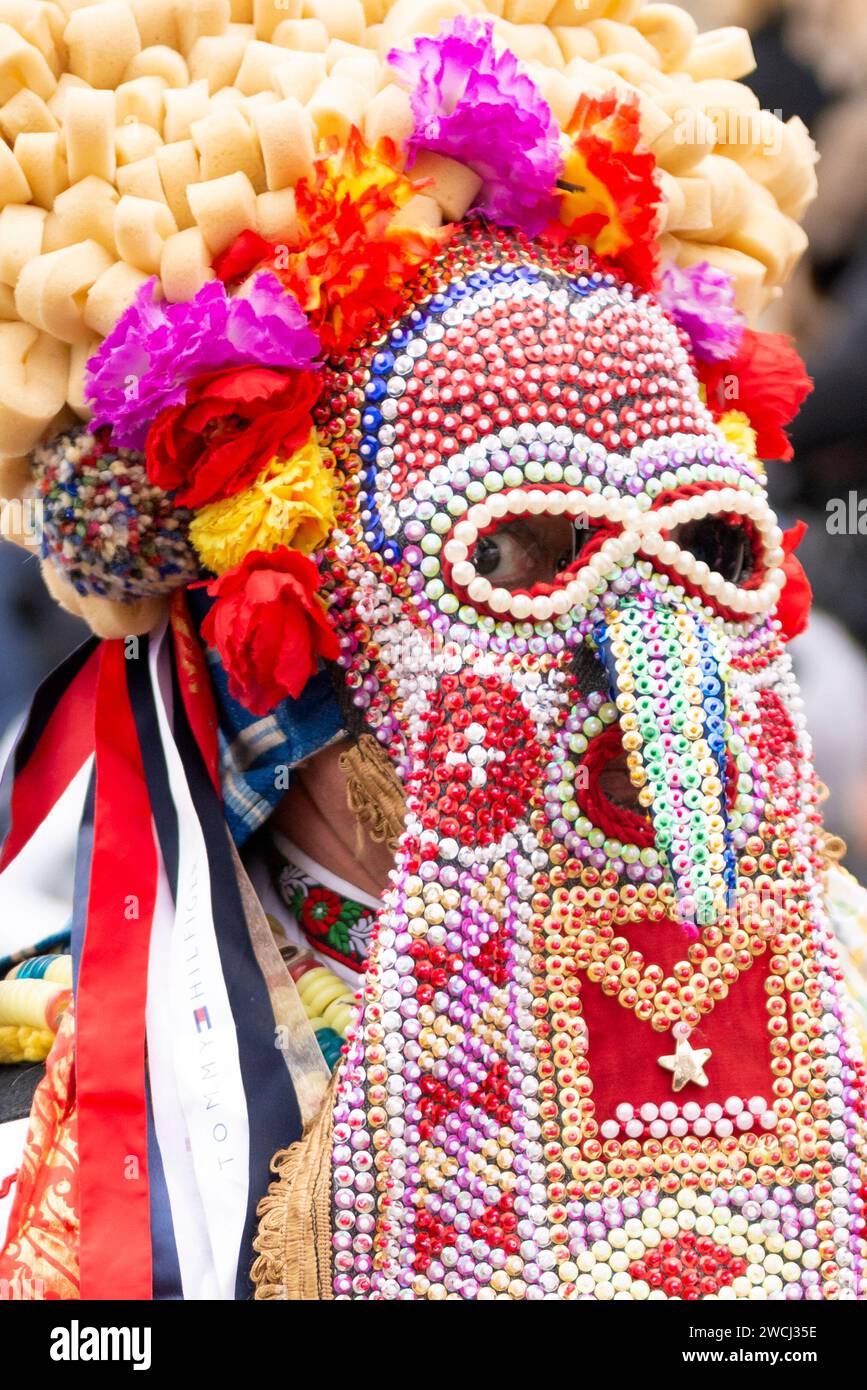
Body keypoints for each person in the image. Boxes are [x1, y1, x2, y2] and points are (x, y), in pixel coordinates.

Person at [0, 0, 864, 1304]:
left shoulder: (839, 979)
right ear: (288, 632)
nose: (640, 657)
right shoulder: (101, 1085)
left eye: (702, 545)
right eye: (516, 553)